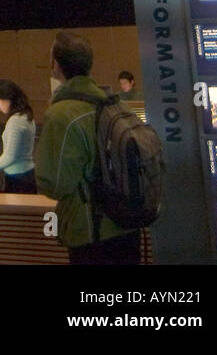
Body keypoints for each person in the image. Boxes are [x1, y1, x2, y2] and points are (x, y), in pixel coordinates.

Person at [35, 31, 140, 264]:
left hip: (92, 232)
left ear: (55, 65)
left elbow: (53, 182)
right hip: (128, 225)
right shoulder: (114, 104)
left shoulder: (62, 114)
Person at [0, 79, 37, 193]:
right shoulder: (26, 116)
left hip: (18, 179)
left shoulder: (15, 121)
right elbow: (19, 154)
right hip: (27, 174)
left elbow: (10, 157)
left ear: (8, 99)